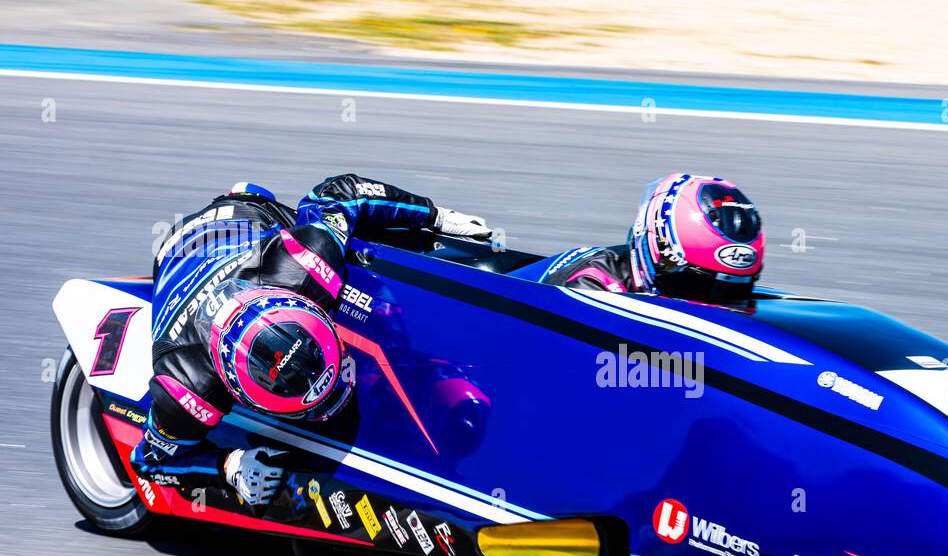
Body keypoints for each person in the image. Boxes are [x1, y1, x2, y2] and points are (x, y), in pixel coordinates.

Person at [130, 175, 489, 506]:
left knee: (368, 272)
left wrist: (435, 216)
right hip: (174, 256)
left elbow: (342, 193)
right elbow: (150, 459)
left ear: (304, 306)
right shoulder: (186, 387)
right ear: (234, 388)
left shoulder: (302, 263)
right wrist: (228, 464)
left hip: (243, 215)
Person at [541, 173, 765, 302]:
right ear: (658, 254)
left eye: (734, 289)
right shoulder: (590, 290)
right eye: (697, 285)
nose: (713, 303)